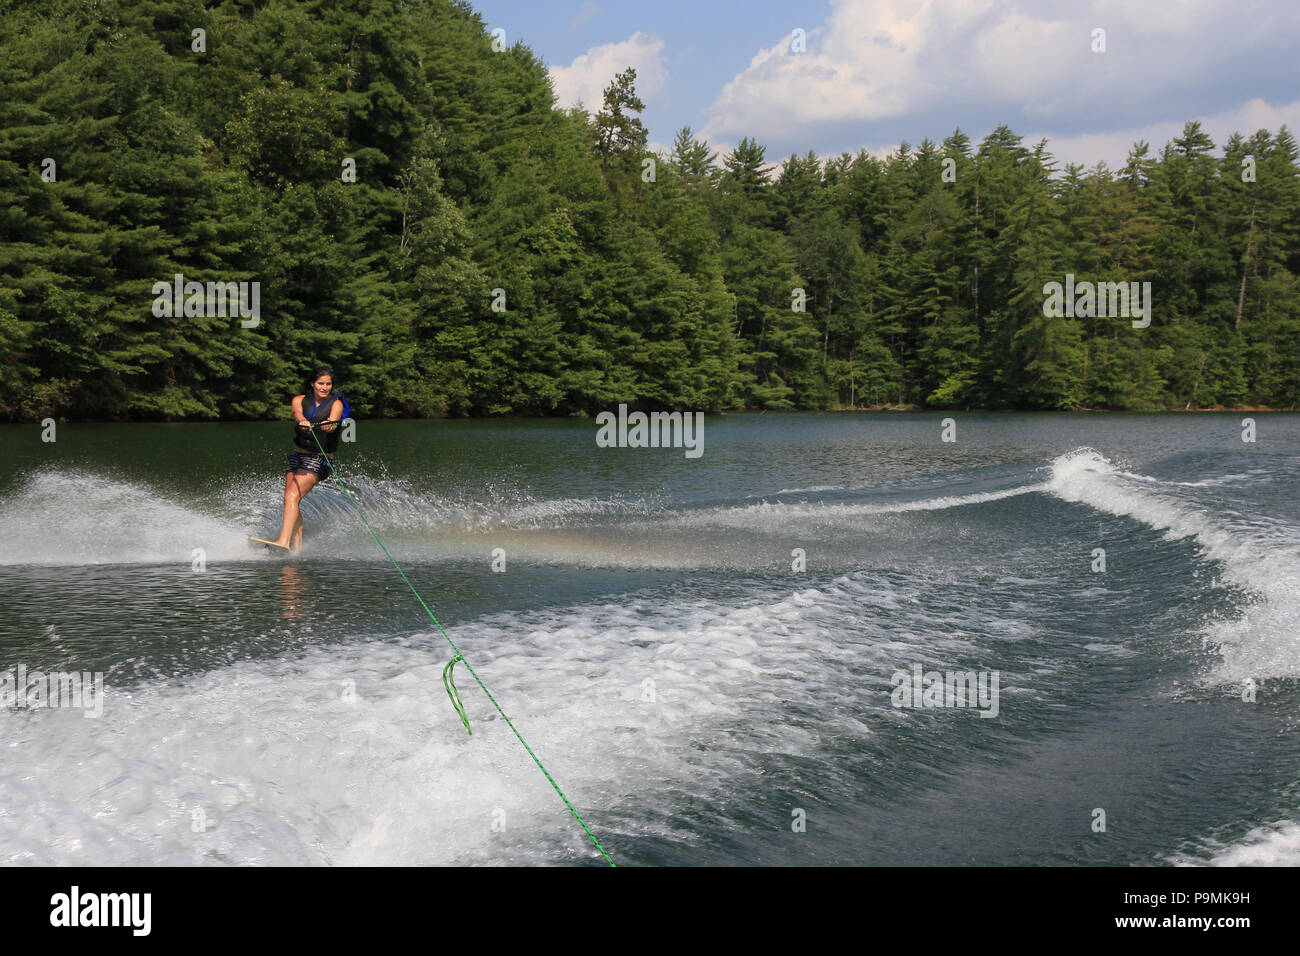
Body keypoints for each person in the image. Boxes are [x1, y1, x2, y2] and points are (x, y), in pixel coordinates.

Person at [273, 367, 346, 551]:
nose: (324, 387)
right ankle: (295, 549)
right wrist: (303, 421)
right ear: (313, 383)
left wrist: (327, 426)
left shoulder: (336, 404)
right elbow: (297, 413)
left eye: (328, 384)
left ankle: (283, 541)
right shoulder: (299, 400)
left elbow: (334, 422)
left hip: (319, 459)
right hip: (298, 456)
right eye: (321, 383)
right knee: (290, 500)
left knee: (292, 496)